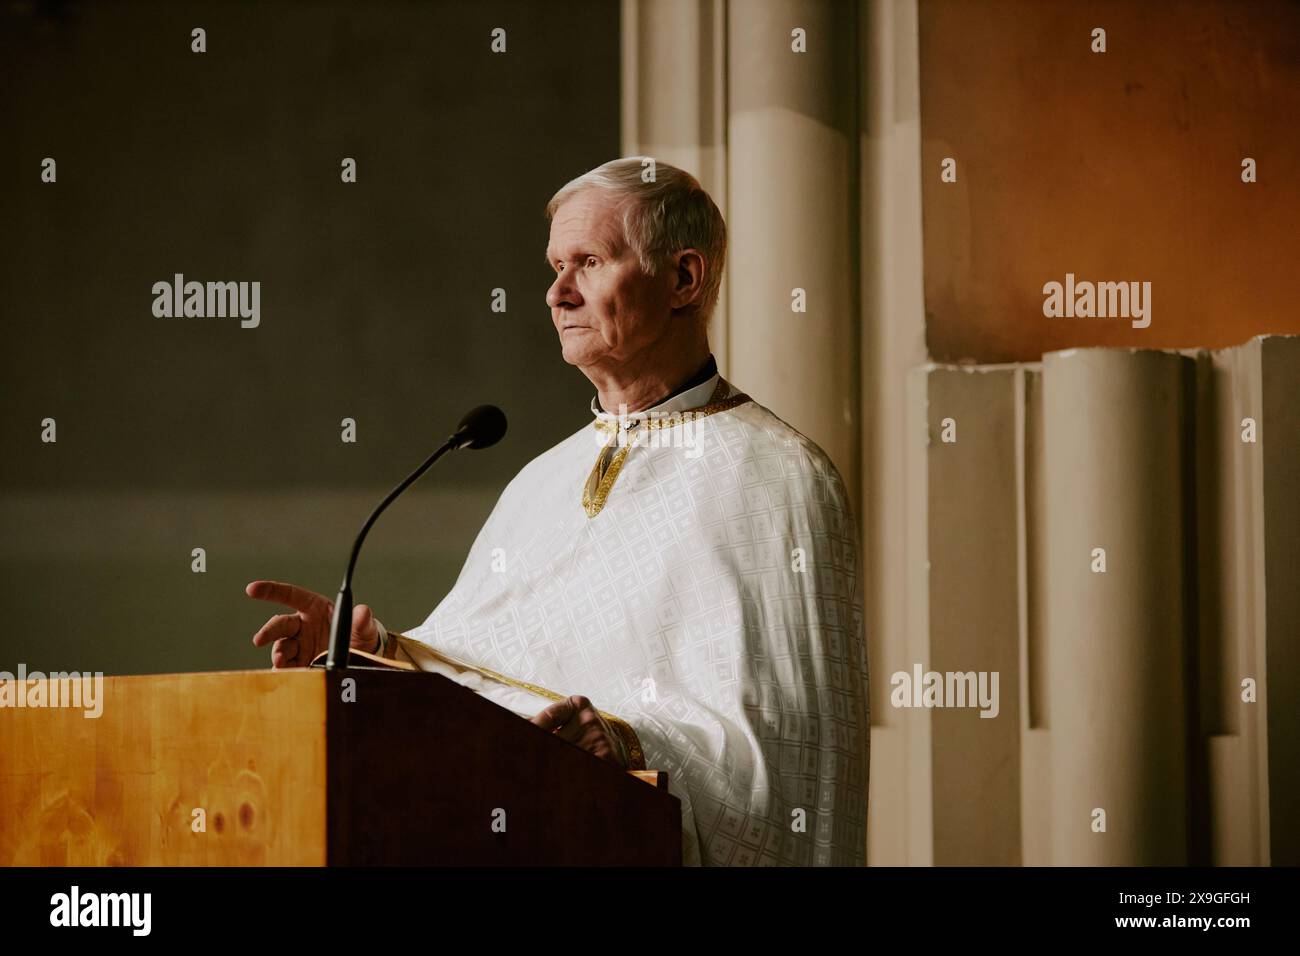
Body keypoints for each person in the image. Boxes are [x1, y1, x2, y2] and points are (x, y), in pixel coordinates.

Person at [246, 157, 869, 866]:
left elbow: (792, 763)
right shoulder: (541, 481)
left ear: (684, 280)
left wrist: (628, 746)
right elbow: (494, 671)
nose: (556, 293)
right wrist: (377, 654)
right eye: (554, 266)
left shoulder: (779, 475)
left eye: (589, 262)